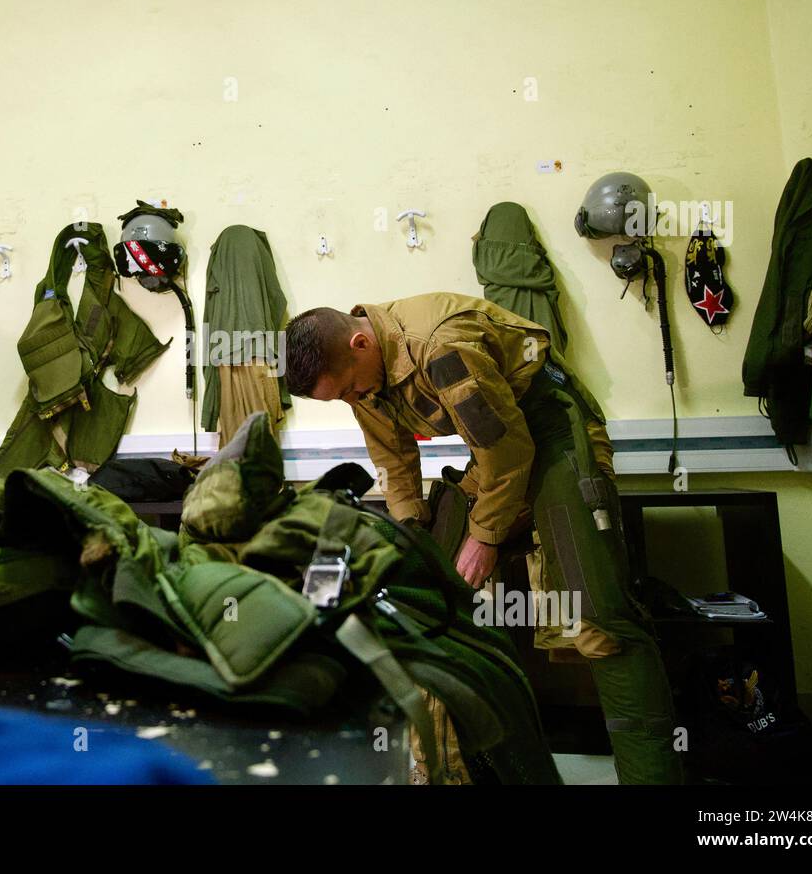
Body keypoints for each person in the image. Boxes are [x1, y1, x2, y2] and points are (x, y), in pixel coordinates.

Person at [284, 292, 682, 784]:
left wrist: (486, 537)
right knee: (430, 605)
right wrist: (413, 537)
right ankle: (453, 773)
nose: (352, 400)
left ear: (361, 343)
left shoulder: (439, 345)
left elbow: (511, 452)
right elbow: (395, 463)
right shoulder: (362, 375)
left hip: (550, 430)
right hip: (493, 449)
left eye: (346, 390)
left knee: (600, 617)